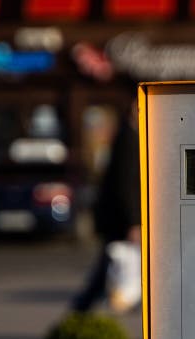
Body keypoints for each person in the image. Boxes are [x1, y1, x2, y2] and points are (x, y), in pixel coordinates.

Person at [72, 101, 140, 312]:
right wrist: (133, 222)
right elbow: (126, 184)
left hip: (116, 217)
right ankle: (82, 309)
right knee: (110, 266)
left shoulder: (126, 135)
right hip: (119, 219)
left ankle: (82, 308)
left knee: (109, 266)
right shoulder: (128, 138)